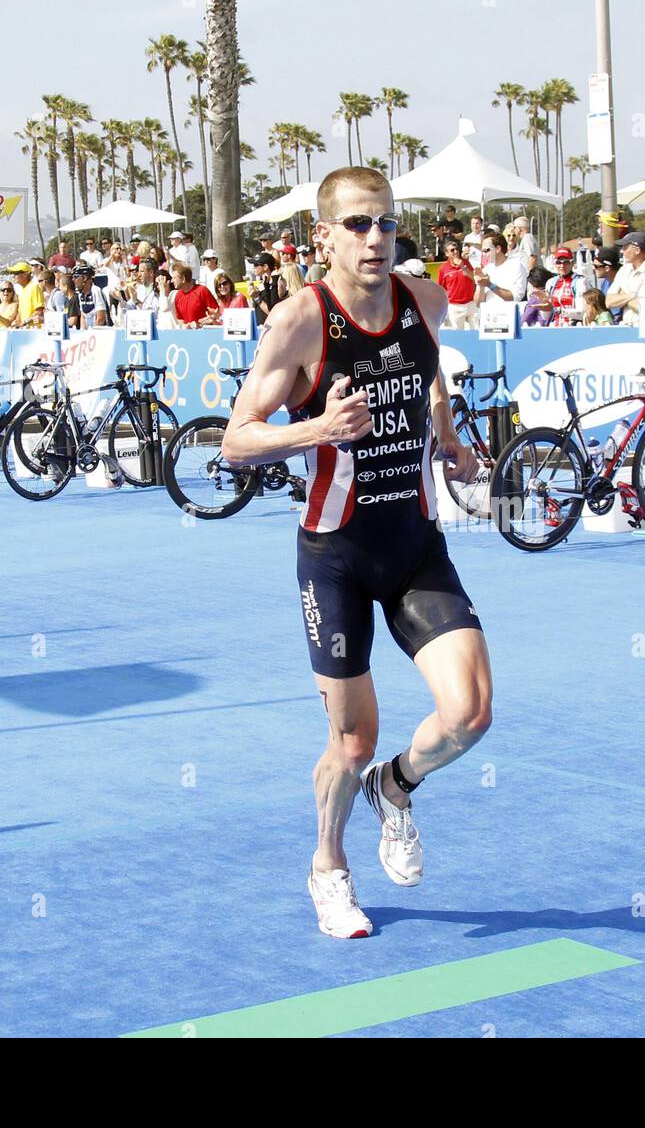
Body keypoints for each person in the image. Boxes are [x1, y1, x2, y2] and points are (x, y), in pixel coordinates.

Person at [220, 166, 489, 940]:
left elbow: (427, 369)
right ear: (324, 236)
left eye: (387, 224)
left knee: (470, 714)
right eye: (359, 225)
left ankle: (397, 786)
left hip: (414, 547)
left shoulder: (425, 301)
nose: (377, 239)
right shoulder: (301, 322)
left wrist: (446, 435)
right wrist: (316, 431)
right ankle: (329, 868)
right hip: (335, 555)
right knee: (351, 737)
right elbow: (237, 438)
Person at [606, 231, 645, 322]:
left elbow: (643, 305)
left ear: (637, 250)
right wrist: (633, 295)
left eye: (625, 247)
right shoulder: (624, 270)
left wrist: (622, 298)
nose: (622, 251)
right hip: (627, 326)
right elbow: (609, 301)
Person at [473, 232, 528, 308]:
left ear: (498, 249)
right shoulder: (486, 270)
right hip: (489, 316)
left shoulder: (516, 266)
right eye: (483, 251)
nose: (484, 254)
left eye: (486, 251)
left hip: (508, 316)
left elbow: (515, 297)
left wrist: (490, 285)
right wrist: (481, 285)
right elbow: (478, 304)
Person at [437, 238, 477, 329]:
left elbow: (474, 279)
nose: (456, 252)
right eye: (452, 250)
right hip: (455, 306)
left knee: (476, 331)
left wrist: (463, 267)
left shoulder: (466, 263)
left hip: (471, 303)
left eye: (457, 249)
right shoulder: (443, 268)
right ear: (447, 253)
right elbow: (441, 289)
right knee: (457, 334)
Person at [544, 247, 587, 323]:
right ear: (554, 263)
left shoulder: (580, 282)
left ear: (572, 263)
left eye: (566, 262)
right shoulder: (550, 283)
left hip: (574, 327)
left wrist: (557, 310)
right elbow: (545, 316)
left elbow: (582, 313)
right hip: (555, 327)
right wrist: (544, 303)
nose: (562, 266)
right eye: (558, 262)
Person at [170, 263, 218, 328]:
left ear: (183, 279)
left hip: (205, 334)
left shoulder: (202, 291)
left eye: (174, 278)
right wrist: (184, 325)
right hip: (187, 335)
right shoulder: (178, 295)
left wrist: (202, 323)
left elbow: (216, 313)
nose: (172, 281)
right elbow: (180, 318)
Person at [72, 264, 111, 328]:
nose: (73, 279)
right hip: (90, 334)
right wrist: (84, 333)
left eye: (75, 277)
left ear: (84, 278)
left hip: (102, 332)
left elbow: (101, 319)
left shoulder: (96, 291)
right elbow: (83, 317)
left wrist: (91, 334)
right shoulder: (80, 294)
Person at [250, 252, 281, 324]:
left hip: (270, 326)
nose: (253, 268)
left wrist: (257, 298)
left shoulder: (276, 283)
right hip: (262, 324)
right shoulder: (264, 281)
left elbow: (272, 311)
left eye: (255, 265)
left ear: (265, 267)